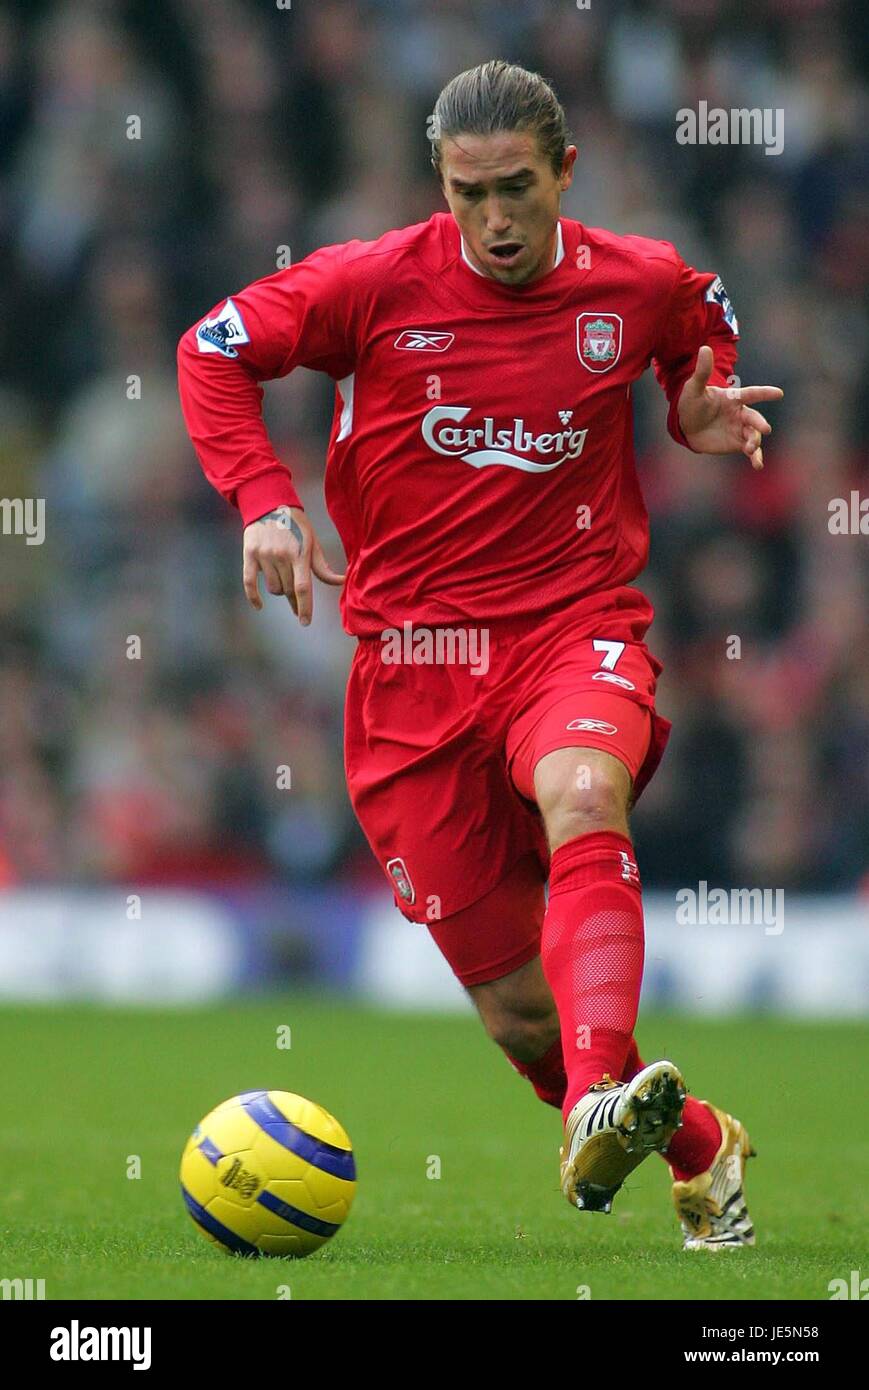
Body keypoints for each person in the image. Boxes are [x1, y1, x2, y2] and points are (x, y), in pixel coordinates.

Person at [178, 60, 781, 1248]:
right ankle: (700, 1143)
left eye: (516, 188)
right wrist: (261, 498)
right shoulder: (368, 282)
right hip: (408, 671)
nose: (495, 221)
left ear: (565, 172)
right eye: (468, 194)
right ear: (437, 184)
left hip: (571, 626)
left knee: (582, 786)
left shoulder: (635, 280)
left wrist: (689, 402)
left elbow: (696, 307)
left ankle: (602, 1085)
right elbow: (211, 349)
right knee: (516, 1017)